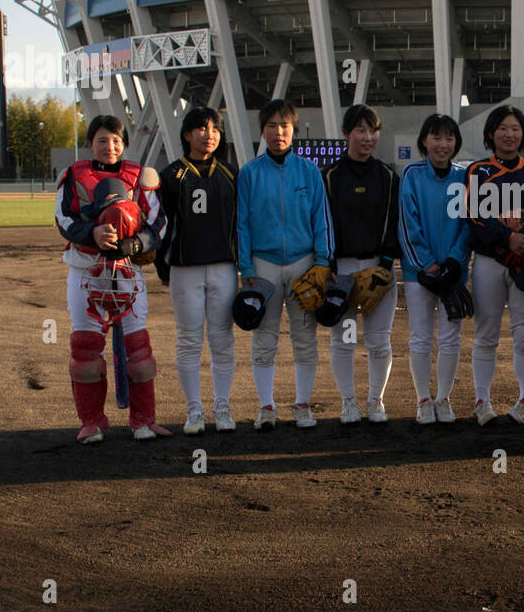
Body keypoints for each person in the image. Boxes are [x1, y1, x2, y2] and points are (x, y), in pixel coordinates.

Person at [55, 115, 168, 442]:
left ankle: (143, 420)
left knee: (138, 348)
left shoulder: (139, 176)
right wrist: (92, 232)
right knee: (86, 349)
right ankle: (92, 422)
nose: (110, 146)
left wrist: (136, 243)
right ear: (91, 143)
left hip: (127, 270)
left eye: (116, 140)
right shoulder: (74, 175)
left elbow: (158, 223)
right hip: (85, 267)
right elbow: (63, 220)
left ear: (124, 143)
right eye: (103, 140)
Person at [236, 100, 334, 430]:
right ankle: (266, 407)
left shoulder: (309, 171)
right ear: (262, 130)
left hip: (304, 263)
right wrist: (246, 269)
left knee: (305, 336)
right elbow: (242, 224)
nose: (279, 132)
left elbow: (321, 218)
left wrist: (322, 260)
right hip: (262, 265)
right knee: (265, 336)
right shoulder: (249, 173)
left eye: (285, 126)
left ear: (293, 130)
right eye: (272, 126)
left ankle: (303, 404)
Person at [464, 104, 524, 425]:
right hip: (489, 261)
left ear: (523, 134)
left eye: (515, 128)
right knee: (486, 334)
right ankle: (481, 401)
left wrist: (523, 241)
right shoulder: (477, 171)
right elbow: (474, 218)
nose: (509, 134)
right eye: (502, 128)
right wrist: (506, 238)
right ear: (491, 133)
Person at [156, 107, 239, 435]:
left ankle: (222, 406)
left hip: (222, 266)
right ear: (187, 134)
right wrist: (164, 265)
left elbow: (239, 225)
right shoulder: (171, 175)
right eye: (202, 128)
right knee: (189, 339)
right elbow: (160, 225)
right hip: (185, 268)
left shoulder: (231, 174)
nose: (210, 134)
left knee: (222, 339)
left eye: (215, 129)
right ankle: (194, 410)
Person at [322, 104, 401, 424]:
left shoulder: (387, 176)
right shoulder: (329, 176)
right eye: (360, 131)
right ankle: (349, 402)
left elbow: (395, 222)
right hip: (340, 271)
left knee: (379, 340)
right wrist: (326, 264)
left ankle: (375, 401)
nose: (368, 137)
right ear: (346, 133)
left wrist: (385, 261)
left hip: (377, 268)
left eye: (373, 131)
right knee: (345, 340)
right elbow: (321, 223)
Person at [398, 113, 471, 425]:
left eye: (449, 138)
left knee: (452, 338)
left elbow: (469, 224)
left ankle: (443, 397)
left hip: (454, 272)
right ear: (424, 141)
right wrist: (427, 265)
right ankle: (422, 399)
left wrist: (454, 262)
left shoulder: (465, 175)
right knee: (421, 337)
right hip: (419, 274)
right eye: (437, 137)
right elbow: (408, 223)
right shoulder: (411, 174)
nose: (443, 144)